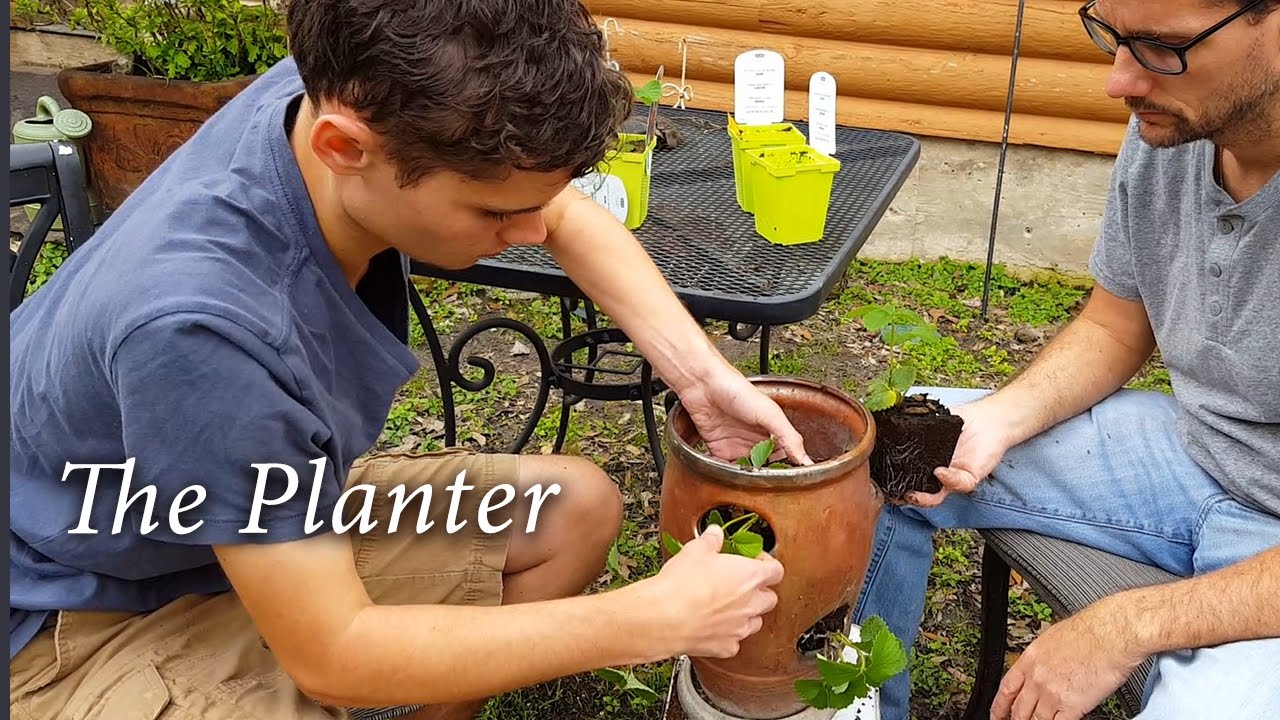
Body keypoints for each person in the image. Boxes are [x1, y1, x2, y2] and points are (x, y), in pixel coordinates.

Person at [8, 1, 809, 718]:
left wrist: (706, 381)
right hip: (64, 615)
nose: (536, 232)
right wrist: (650, 620)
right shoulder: (201, 329)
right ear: (344, 146)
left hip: (223, 517)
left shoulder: (359, 83)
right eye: (497, 212)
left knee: (572, 510)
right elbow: (335, 659)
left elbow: (556, 209)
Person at [853, 0, 1279, 718]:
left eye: (1159, 46)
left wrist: (1124, 625)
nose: (1119, 82)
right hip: (1195, 461)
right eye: (1113, 38)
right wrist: (997, 420)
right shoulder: (1173, 122)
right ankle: (857, 704)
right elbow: (1117, 325)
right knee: (887, 452)